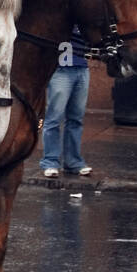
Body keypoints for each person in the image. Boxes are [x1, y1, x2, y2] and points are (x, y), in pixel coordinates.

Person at [40, 24, 92, 178]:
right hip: (64, 68)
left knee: (74, 118)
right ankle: (52, 161)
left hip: (79, 68)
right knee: (56, 118)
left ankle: (70, 162)